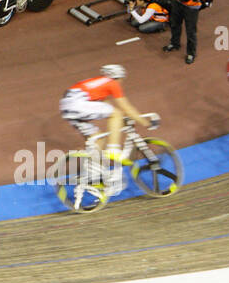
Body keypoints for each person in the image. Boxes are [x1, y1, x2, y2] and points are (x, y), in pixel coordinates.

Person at [59, 64, 159, 195]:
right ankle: (113, 149)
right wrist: (146, 123)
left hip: (68, 108)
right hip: (77, 103)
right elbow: (125, 107)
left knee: (98, 140)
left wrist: (123, 119)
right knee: (116, 113)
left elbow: (105, 107)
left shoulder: (98, 83)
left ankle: (92, 176)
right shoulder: (111, 82)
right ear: (118, 77)